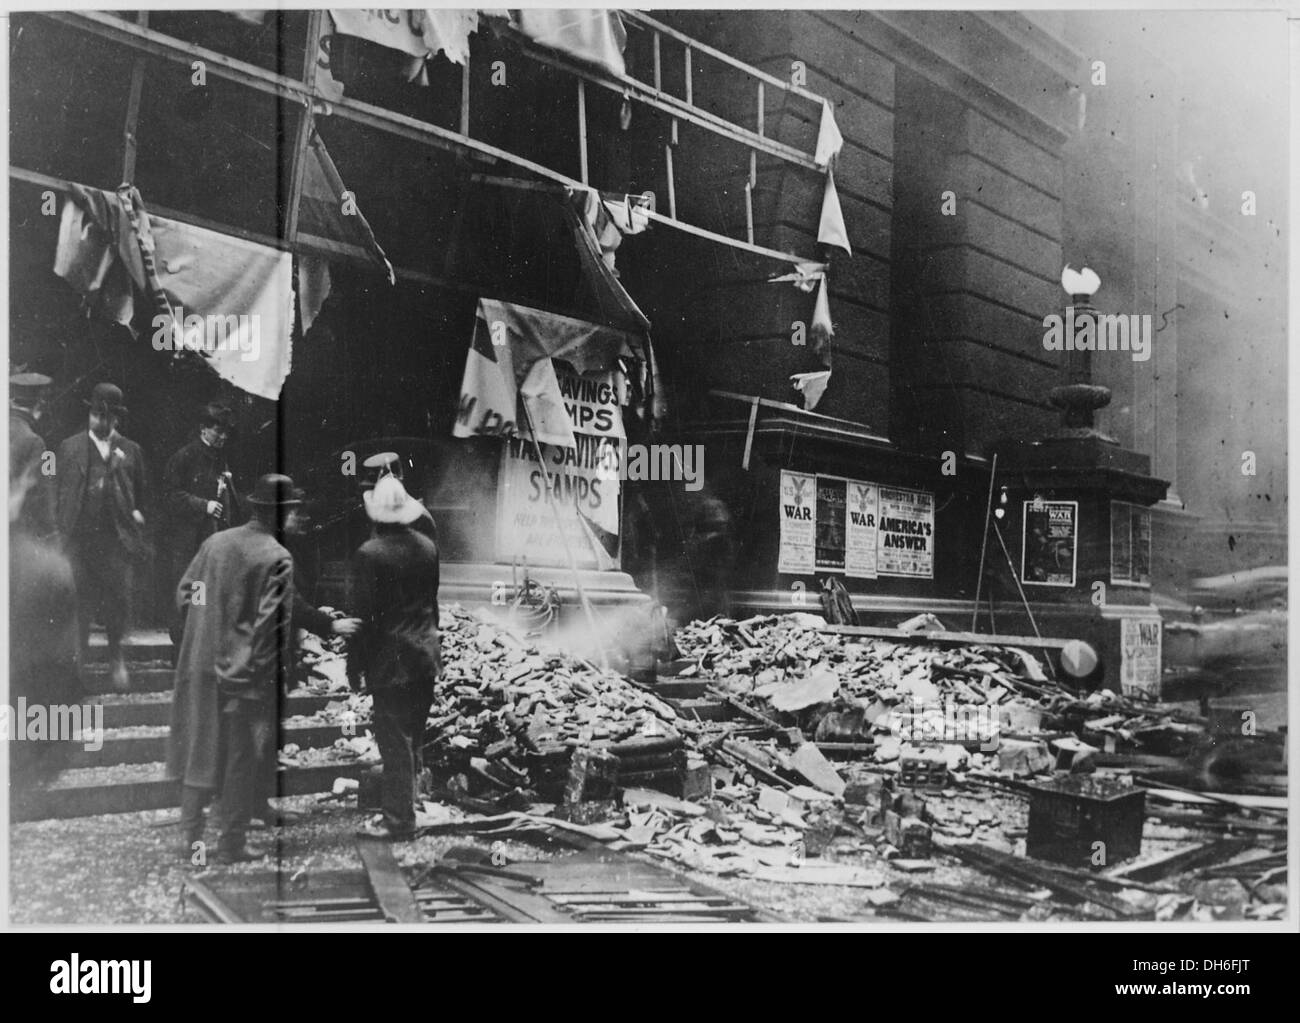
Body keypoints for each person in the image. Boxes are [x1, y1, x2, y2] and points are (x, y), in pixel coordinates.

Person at [166, 473, 358, 863]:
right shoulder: (276, 557)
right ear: (280, 513)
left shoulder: (215, 543)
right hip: (247, 676)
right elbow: (270, 626)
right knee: (240, 760)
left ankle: (189, 838)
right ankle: (231, 844)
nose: (296, 516)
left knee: (200, 750)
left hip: (202, 667)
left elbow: (186, 595)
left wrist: (207, 634)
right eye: (293, 510)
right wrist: (261, 677)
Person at [347, 475, 441, 840]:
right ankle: (410, 805)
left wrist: (354, 667)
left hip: (391, 660)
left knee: (393, 740)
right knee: (414, 733)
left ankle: (398, 822)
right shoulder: (427, 547)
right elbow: (432, 603)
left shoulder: (368, 555)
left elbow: (362, 618)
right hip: (425, 654)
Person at [54, 382, 149, 691]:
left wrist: (137, 514)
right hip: (79, 540)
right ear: (89, 413)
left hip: (115, 540)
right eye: (96, 415)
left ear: (117, 419)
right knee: (78, 602)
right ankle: (77, 664)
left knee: (117, 602)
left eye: (107, 417)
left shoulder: (132, 450)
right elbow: (57, 491)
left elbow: (143, 494)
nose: (101, 422)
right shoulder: (68, 448)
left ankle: (116, 658)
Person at [162, 402, 242, 653]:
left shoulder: (220, 459)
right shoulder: (184, 456)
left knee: (205, 589)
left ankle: (198, 646)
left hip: (210, 537)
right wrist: (203, 505)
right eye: (218, 431)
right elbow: (170, 495)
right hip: (186, 538)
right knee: (187, 587)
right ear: (203, 429)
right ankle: (180, 647)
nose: (222, 436)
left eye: (225, 432)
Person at [9, 372, 56, 538]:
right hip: (15, 531)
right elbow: (44, 493)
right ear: (39, 405)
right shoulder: (35, 442)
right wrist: (52, 535)